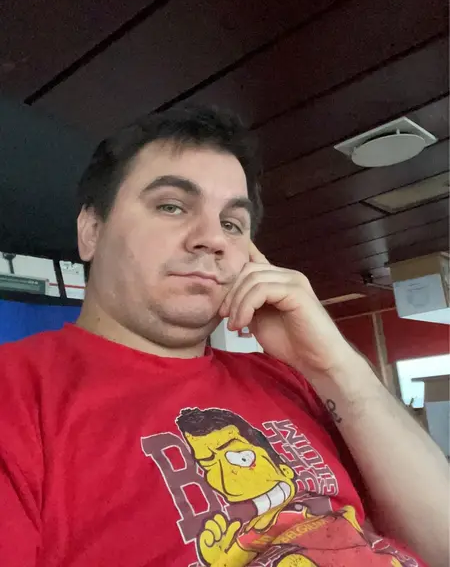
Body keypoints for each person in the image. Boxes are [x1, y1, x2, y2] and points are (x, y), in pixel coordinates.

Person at [0, 106, 448, 567]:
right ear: (92, 231)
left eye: (232, 224)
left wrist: (334, 364)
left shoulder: (291, 378)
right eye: (172, 206)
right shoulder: (15, 393)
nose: (212, 238)